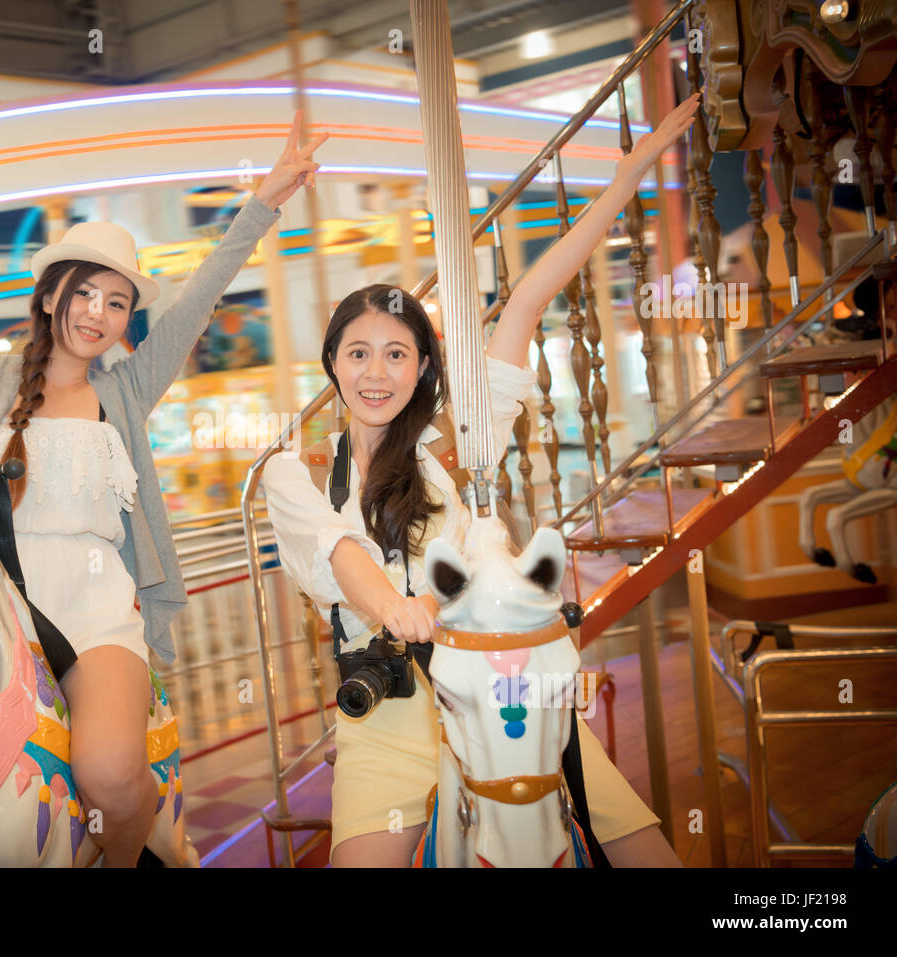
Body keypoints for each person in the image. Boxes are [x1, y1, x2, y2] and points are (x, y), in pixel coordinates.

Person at [0, 112, 327, 866]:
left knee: (111, 776)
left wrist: (265, 201)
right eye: (85, 292)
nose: (98, 313)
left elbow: (196, 303)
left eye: (117, 302)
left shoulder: (125, 390)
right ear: (52, 293)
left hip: (91, 616)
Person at [261, 93, 702, 867]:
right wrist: (397, 609)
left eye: (396, 353)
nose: (375, 372)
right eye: (358, 353)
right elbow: (337, 553)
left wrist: (628, 175)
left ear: (422, 367)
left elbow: (528, 298)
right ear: (332, 363)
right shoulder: (294, 470)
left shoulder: (454, 444)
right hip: (391, 716)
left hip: (499, 699)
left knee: (645, 852)